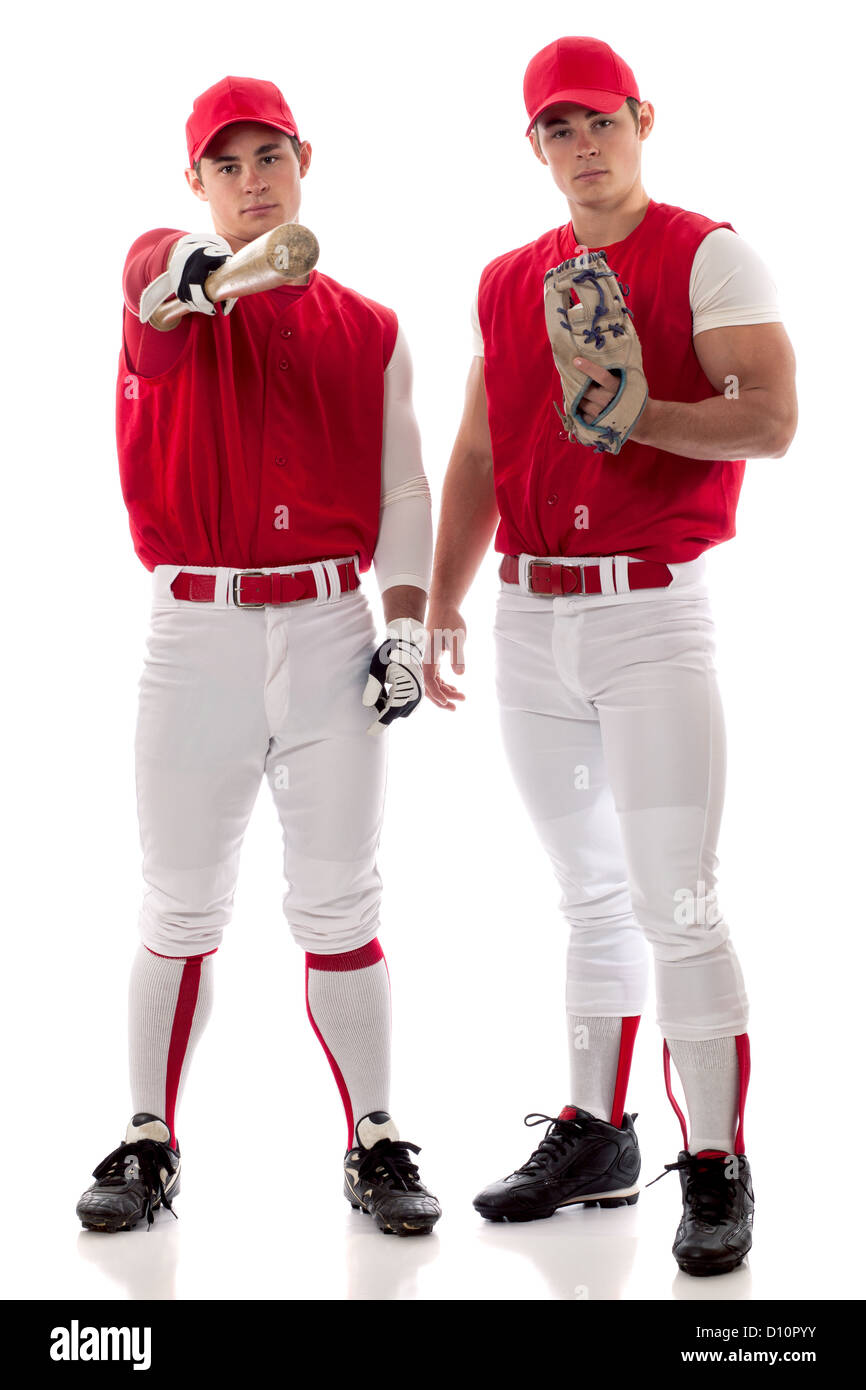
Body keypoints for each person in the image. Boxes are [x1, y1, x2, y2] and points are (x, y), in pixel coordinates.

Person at [424, 36, 796, 1275]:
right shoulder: (506, 277)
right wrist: (439, 601)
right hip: (533, 619)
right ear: (533, 146)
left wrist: (644, 413)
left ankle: (716, 1160)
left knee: (675, 898)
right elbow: (478, 454)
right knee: (586, 897)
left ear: (641, 119)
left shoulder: (705, 250)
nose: (581, 146)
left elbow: (771, 418)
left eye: (598, 122)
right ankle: (596, 1133)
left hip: (649, 613)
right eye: (556, 129)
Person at [75, 75, 441, 1238]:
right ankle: (146, 1137)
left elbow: (400, 482)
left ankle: (376, 1136)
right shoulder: (166, 282)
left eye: (266, 156)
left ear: (302, 159)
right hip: (197, 629)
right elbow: (167, 277)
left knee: (341, 899)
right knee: (180, 902)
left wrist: (404, 626)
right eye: (224, 163)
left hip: (331, 625)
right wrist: (199, 267)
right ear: (197, 180)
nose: (248, 179)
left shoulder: (370, 325)